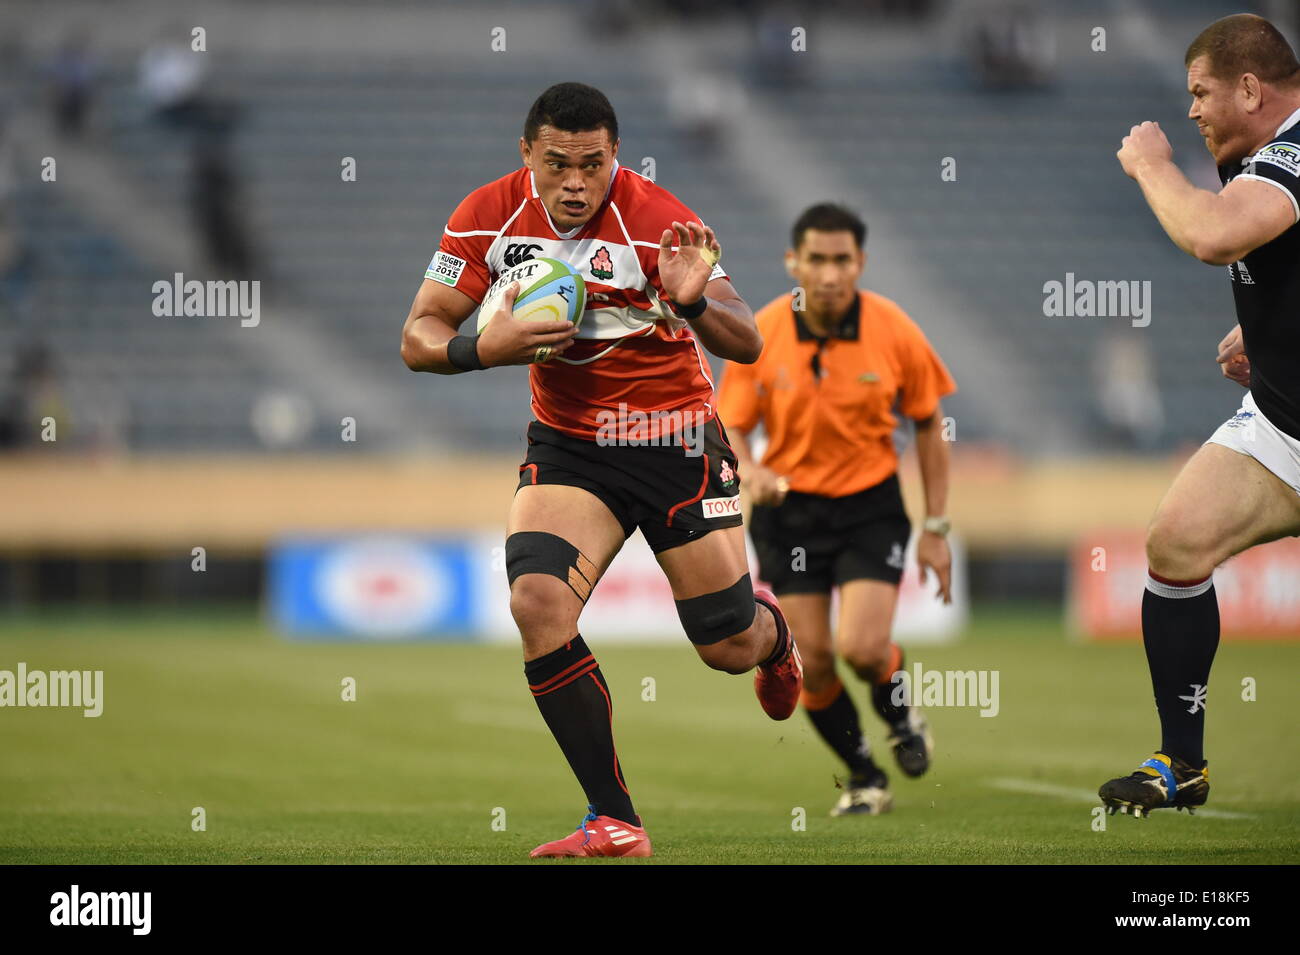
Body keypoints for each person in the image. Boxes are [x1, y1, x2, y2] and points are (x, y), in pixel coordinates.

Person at [400, 82, 803, 858]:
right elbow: (418, 333)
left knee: (725, 644)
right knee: (537, 600)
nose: (575, 183)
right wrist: (480, 347)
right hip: (571, 445)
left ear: (616, 155)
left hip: (675, 438)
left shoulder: (658, 221)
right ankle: (613, 817)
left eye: (592, 163)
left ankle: (774, 636)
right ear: (527, 155)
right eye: (557, 164)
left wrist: (691, 302)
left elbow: (747, 340)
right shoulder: (486, 215)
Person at [1101, 13, 1300, 817]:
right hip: (1285, 425)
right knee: (1176, 543)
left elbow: (1213, 234)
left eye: (1201, 92)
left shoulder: (1294, 149)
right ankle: (1182, 761)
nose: (1191, 111)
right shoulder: (1266, 155)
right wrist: (1262, 330)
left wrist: (1152, 166)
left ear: (1251, 88)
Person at [717, 203, 956, 815]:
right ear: (793, 262)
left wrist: (935, 527)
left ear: (861, 263)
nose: (828, 274)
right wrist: (751, 470)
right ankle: (864, 777)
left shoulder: (893, 328)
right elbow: (729, 426)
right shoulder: (761, 331)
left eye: (841, 260)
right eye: (816, 259)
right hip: (789, 513)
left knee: (864, 650)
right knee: (815, 661)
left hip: (869, 509)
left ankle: (902, 718)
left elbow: (930, 425)